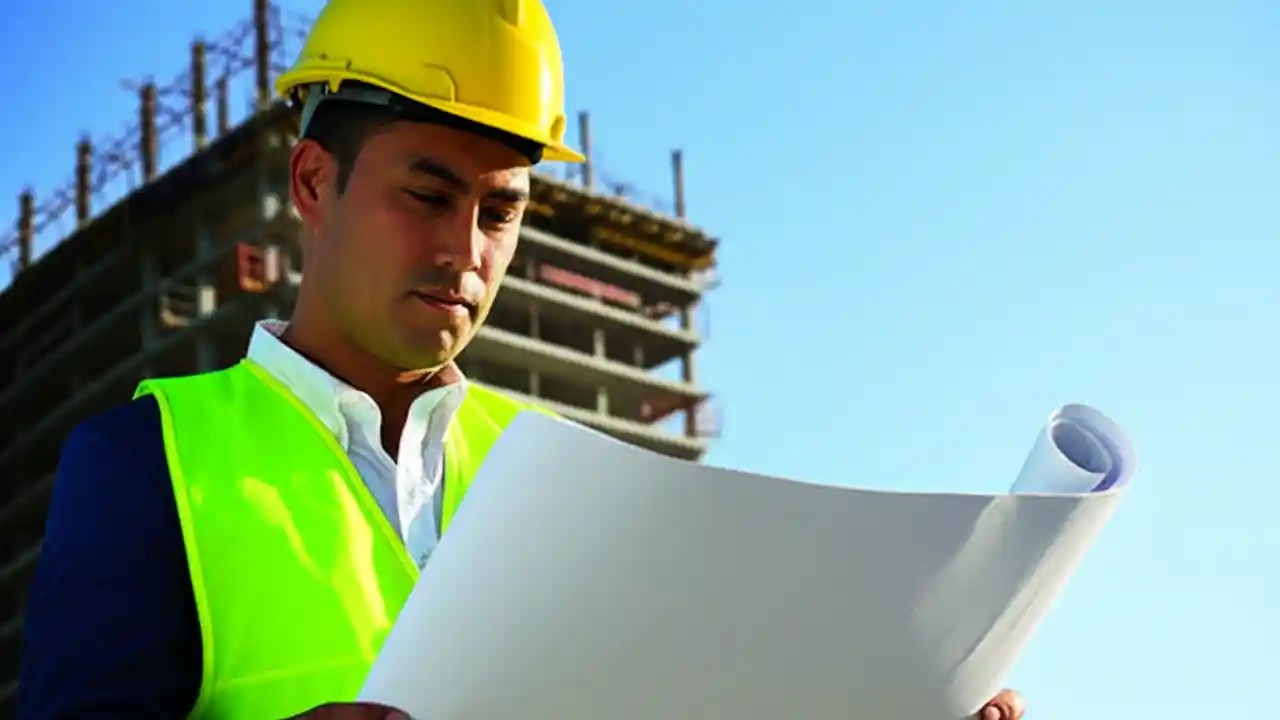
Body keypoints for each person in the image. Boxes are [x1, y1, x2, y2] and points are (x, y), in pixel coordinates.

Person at [16, 1, 1027, 719]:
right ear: (315, 181)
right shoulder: (148, 462)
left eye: (499, 211)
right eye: (426, 194)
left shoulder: (570, 479)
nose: (465, 250)